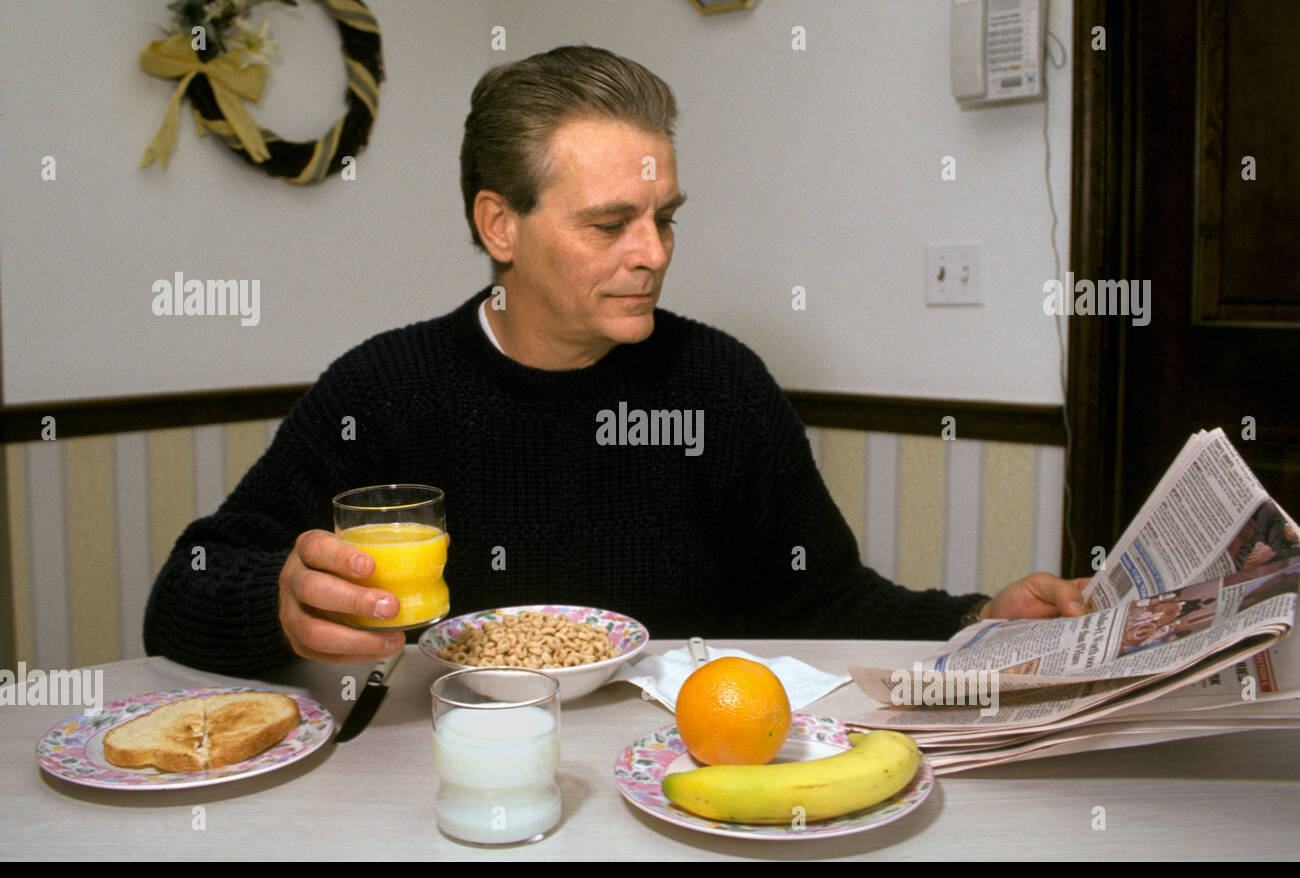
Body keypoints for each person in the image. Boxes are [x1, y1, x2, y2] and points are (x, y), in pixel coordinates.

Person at [144, 45, 1087, 675]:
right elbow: (183, 588)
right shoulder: (385, 391)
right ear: (499, 224)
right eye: (611, 224)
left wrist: (977, 622)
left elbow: (823, 596)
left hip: (676, 788)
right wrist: (274, 599)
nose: (655, 253)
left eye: (665, 218)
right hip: (441, 793)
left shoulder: (722, 386)